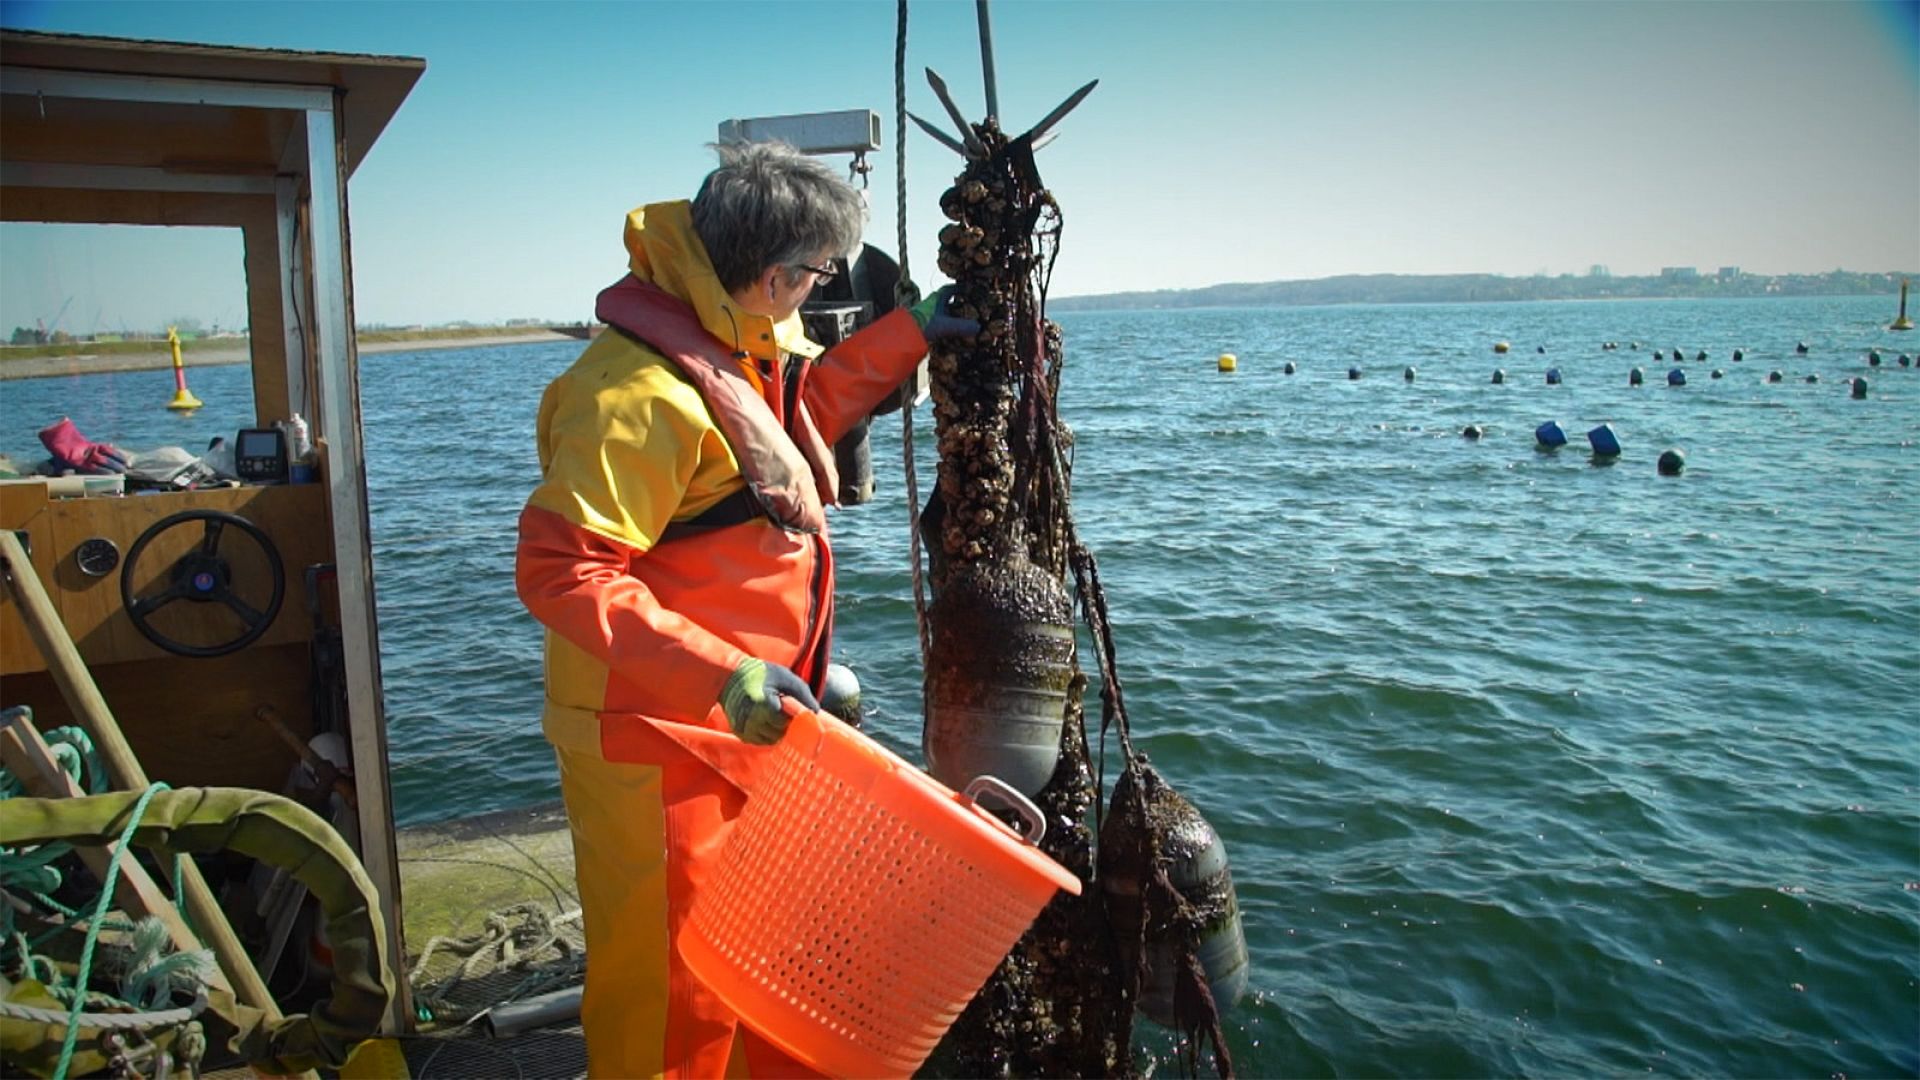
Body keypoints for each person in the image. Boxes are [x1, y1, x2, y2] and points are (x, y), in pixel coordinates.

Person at [515, 140, 972, 1077]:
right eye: (818, 274)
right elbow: (564, 572)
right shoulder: (629, 397)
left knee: (755, 957)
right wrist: (725, 676)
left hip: (744, 722)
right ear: (772, 278)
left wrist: (915, 331)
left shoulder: (734, 341)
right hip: (657, 737)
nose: (819, 288)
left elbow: (806, 410)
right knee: (671, 984)